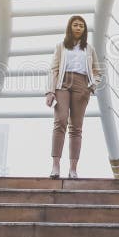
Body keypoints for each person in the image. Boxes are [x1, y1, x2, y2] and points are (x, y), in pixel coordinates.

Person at [46, 15, 101, 179]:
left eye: (81, 26)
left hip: (81, 84)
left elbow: (97, 71)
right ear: (70, 27)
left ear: (84, 30)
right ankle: (55, 166)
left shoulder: (89, 49)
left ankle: (73, 169)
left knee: (76, 127)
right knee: (60, 120)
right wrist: (50, 91)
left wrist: (91, 86)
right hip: (62, 83)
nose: (78, 28)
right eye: (75, 25)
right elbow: (53, 69)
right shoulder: (61, 46)